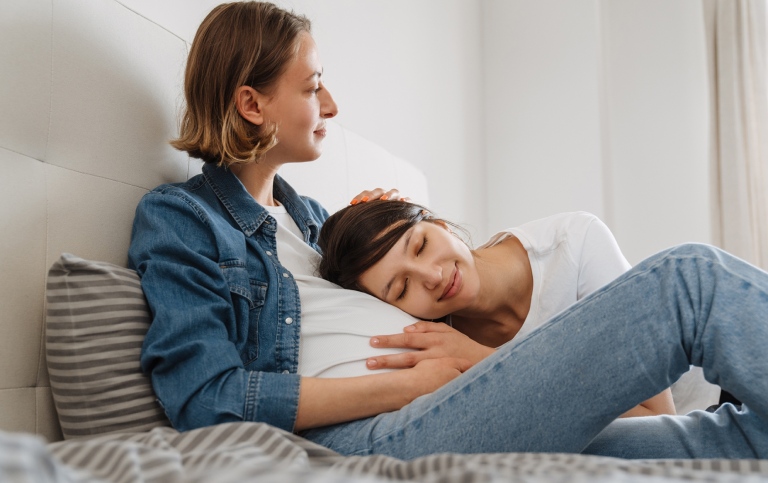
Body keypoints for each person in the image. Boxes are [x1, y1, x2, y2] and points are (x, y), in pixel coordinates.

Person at [129, 1, 768, 460]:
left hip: (442, 404)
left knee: (729, 440)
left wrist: (379, 227)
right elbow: (206, 397)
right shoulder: (183, 220)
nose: (331, 107)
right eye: (314, 87)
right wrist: (416, 382)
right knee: (689, 281)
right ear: (251, 104)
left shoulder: (311, 222)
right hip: (387, 431)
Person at [318, 201, 676, 417]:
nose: (432, 276)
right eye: (402, 288)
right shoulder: (436, 347)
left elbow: (656, 417)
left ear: (439, 224)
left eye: (422, 245)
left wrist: (482, 359)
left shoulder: (575, 245)